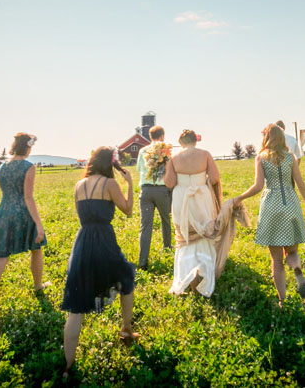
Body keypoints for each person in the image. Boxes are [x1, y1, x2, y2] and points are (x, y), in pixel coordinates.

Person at [61, 147, 136, 377]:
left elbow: (81, 216)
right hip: (104, 239)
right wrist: (130, 184)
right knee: (126, 277)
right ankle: (126, 329)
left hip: (82, 241)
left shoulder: (78, 185)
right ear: (109, 163)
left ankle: (68, 367)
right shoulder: (109, 184)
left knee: (76, 306)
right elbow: (128, 210)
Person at [235, 123, 305, 305]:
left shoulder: (261, 158)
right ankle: (296, 268)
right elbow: (300, 183)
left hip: (271, 206)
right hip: (291, 204)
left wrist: (240, 197)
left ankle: (282, 300)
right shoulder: (290, 157)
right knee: (292, 251)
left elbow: (258, 186)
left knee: (276, 259)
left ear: (266, 138)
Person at [0, 132, 47, 315]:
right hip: (23, 213)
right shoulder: (28, 167)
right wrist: (39, 225)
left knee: (0, 259)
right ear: (27, 146)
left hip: (4, 212)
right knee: (37, 248)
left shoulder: (3, 166)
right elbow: (28, 197)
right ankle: (38, 286)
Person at [163, 129, 223, 296]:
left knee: (185, 235)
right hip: (201, 196)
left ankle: (188, 278)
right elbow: (215, 177)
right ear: (195, 141)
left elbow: (169, 183)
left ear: (181, 142)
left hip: (182, 196)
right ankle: (204, 274)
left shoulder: (173, 158)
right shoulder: (205, 154)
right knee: (204, 232)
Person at [134, 125, 173, 270]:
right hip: (162, 190)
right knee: (165, 220)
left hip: (146, 191)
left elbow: (139, 169)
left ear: (150, 137)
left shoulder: (143, 151)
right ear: (162, 136)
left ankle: (143, 260)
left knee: (145, 226)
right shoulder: (166, 150)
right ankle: (167, 248)